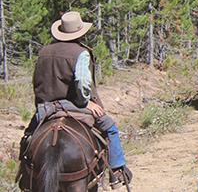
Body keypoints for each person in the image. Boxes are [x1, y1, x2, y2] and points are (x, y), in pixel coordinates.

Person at [21, 12, 133, 188]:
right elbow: (82, 82)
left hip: (46, 108)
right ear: (80, 32)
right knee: (110, 128)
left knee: (28, 136)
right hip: (75, 107)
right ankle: (117, 171)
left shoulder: (43, 52)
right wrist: (85, 103)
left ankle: (24, 176)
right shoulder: (81, 53)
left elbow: (37, 81)